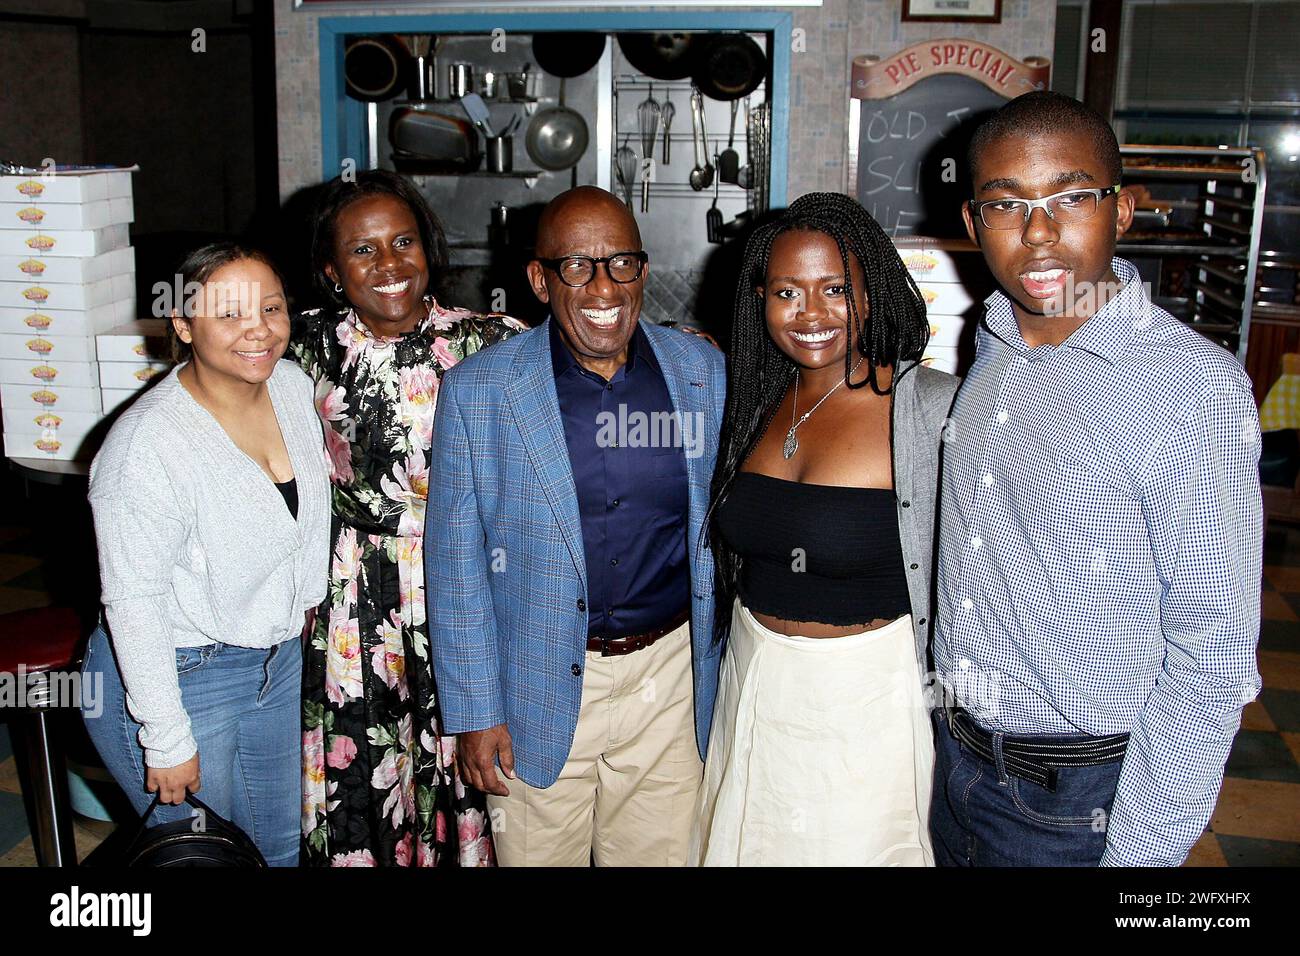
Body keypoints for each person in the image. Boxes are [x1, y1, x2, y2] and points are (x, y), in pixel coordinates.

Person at [931, 91, 1262, 867]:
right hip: (956, 762)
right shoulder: (994, 345)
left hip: (1078, 802)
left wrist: (1140, 859)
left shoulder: (1189, 392)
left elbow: (1211, 659)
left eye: (1072, 197)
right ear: (975, 225)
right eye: (1008, 205)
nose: (1040, 234)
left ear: (1123, 211)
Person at [427, 186, 726, 866]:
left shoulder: (702, 374)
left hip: (669, 686)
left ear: (643, 271)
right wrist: (476, 712)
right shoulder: (481, 391)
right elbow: (454, 565)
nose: (603, 286)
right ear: (538, 279)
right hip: (538, 684)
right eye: (577, 266)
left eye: (622, 263)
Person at [690, 192, 957, 866]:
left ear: (872, 293)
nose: (810, 313)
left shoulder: (927, 410)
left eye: (835, 288)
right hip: (751, 686)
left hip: (865, 702)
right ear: (761, 299)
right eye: (787, 291)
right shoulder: (754, 398)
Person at [292, 169, 524, 867]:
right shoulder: (299, 349)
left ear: (429, 247)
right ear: (333, 271)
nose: (389, 264)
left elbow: (591, 356)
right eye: (363, 252)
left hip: (467, 590)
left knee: (467, 771)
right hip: (352, 603)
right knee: (362, 768)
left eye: (403, 242)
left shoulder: (493, 341)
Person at [81, 243, 329, 867]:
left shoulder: (294, 388)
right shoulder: (147, 445)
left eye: (272, 308)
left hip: (275, 665)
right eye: (230, 314)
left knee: (274, 854)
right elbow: (132, 600)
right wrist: (165, 737)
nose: (259, 330)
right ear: (184, 326)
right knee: (201, 860)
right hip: (180, 676)